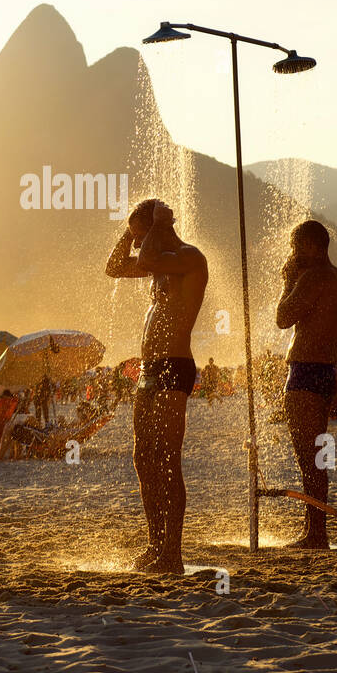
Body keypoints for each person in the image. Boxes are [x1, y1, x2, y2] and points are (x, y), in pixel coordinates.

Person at [106, 197, 208, 576]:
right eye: (135, 238)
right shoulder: (158, 264)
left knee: (167, 460)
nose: (136, 245)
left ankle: (172, 553)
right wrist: (129, 231)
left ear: (162, 228)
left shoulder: (188, 258)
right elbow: (114, 267)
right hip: (149, 370)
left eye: (140, 236)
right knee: (143, 459)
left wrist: (158, 226)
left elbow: (147, 258)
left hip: (174, 366)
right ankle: (153, 543)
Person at [276, 220, 337, 550]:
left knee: (309, 458)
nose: (292, 253)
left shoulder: (312, 276)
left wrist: (288, 280)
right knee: (315, 457)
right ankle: (314, 530)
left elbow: (283, 317)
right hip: (329, 369)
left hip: (306, 370)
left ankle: (315, 533)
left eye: (295, 246)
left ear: (311, 247)